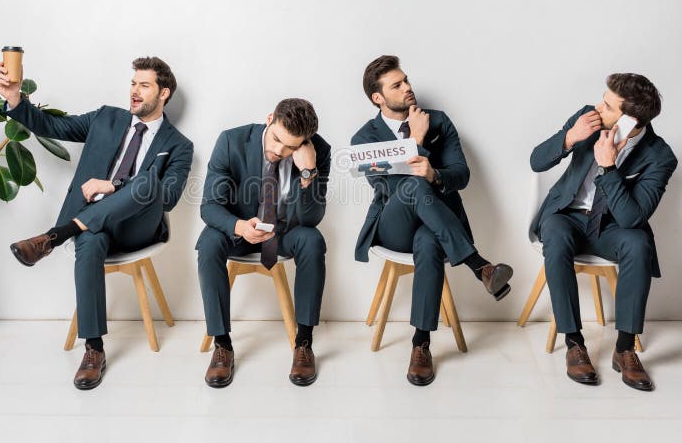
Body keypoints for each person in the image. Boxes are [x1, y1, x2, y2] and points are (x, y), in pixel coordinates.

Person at [0, 57, 193, 390]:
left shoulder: (178, 145)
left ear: (164, 93)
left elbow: (169, 197)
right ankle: (94, 350)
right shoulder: (106, 117)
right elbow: (54, 127)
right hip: (92, 223)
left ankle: (53, 237)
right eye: (133, 83)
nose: (134, 91)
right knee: (90, 240)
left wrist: (113, 185)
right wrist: (15, 98)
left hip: (136, 230)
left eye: (144, 86)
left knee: (149, 183)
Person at [352, 55, 513, 386]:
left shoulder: (439, 120)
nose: (408, 87)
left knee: (428, 241)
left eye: (406, 79)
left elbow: (462, 175)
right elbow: (393, 188)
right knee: (412, 185)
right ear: (377, 97)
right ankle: (479, 265)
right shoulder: (364, 140)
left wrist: (437, 174)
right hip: (391, 225)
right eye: (397, 85)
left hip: (435, 225)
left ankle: (420, 344)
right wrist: (418, 143)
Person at [530, 73, 676, 391]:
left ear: (629, 120)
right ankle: (574, 343)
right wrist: (570, 136)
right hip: (567, 216)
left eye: (608, 105)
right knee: (554, 235)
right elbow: (536, 161)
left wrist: (608, 168)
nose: (599, 106)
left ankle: (624, 349)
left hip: (611, 228)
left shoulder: (660, 157)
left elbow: (632, 218)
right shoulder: (588, 118)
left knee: (638, 244)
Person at [196, 98, 331, 387]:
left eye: (291, 147)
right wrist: (240, 226)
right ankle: (222, 345)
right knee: (208, 242)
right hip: (241, 231)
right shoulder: (231, 141)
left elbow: (311, 218)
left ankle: (304, 343)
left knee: (312, 239)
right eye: (277, 140)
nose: (279, 151)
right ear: (270, 119)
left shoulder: (318, 152)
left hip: (284, 233)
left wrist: (308, 174)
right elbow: (209, 207)